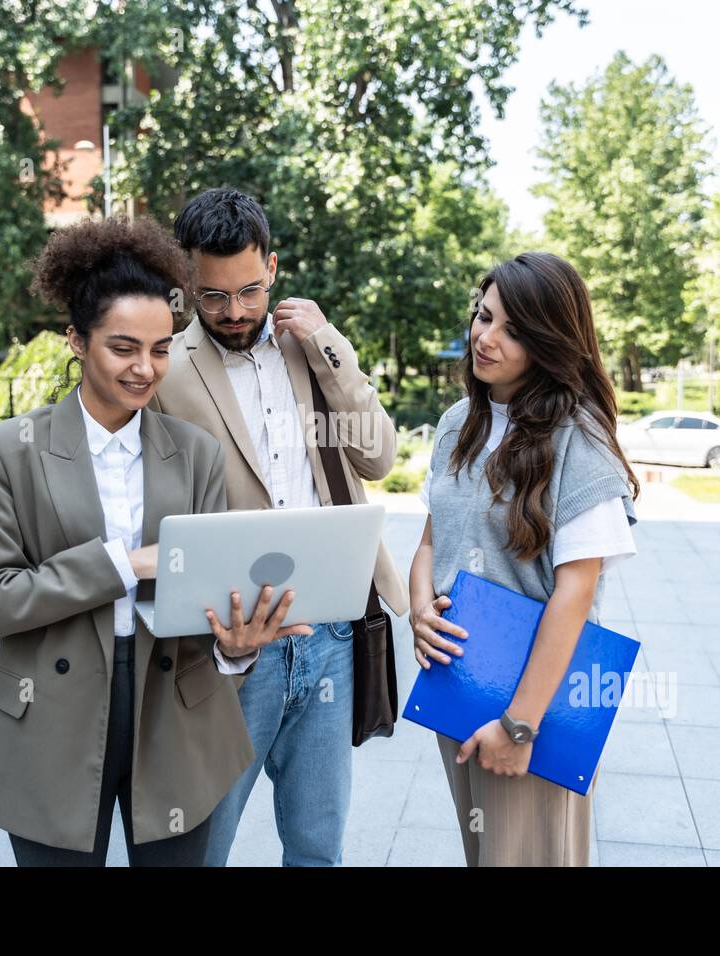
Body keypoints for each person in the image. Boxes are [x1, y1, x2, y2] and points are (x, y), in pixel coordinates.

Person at [0, 215, 310, 867]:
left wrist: (234, 650)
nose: (145, 368)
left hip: (174, 712)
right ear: (76, 340)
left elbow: (207, 595)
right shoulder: (8, 452)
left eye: (160, 348)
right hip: (50, 721)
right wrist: (123, 563)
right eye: (123, 347)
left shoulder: (196, 454)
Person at [147, 186, 408, 867]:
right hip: (234, 642)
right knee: (206, 843)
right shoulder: (168, 371)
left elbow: (378, 456)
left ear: (273, 266)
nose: (235, 312)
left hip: (330, 634)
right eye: (213, 296)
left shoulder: (311, 349)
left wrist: (328, 344)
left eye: (251, 291)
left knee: (318, 847)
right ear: (186, 282)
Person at [409, 251, 640, 867]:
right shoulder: (458, 422)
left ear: (550, 342)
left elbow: (577, 593)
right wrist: (417, 609)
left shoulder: (578, 438)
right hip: (460, 677)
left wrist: (520, 726)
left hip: (533, 699)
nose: (487, 338)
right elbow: (433, 539)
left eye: (513, 330)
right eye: (483, 317)